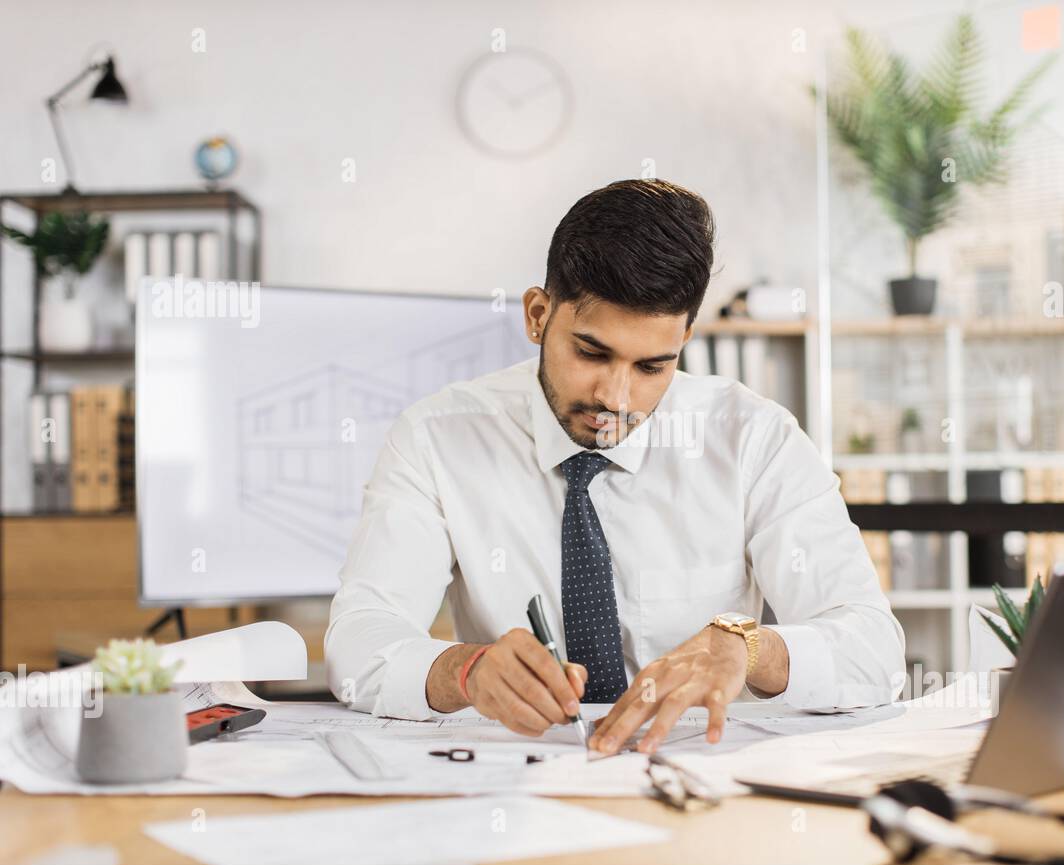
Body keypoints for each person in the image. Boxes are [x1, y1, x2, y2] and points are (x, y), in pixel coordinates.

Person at [325, 179, 904, 755]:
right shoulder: (437, 436)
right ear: (537, 315)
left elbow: (875, 652)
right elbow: (358, 642)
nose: (616, 397)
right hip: (518, 778)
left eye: (652, 366)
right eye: (591, 353)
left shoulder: (754, 438)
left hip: (700, 784)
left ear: (684, 340)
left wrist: (748, 650)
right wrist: (466, 671)